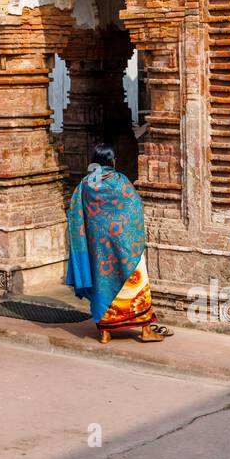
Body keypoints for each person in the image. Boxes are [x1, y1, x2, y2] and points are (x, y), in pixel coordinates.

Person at [65, 143, 173, 345]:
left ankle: (105, 333)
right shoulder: (120, 181)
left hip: (99, 251)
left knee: (102, 285)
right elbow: (134, 207)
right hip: (126, 247)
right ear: (111, 161)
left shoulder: (86, 184)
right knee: (136, 284)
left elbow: (75, 213)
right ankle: (146, 330)